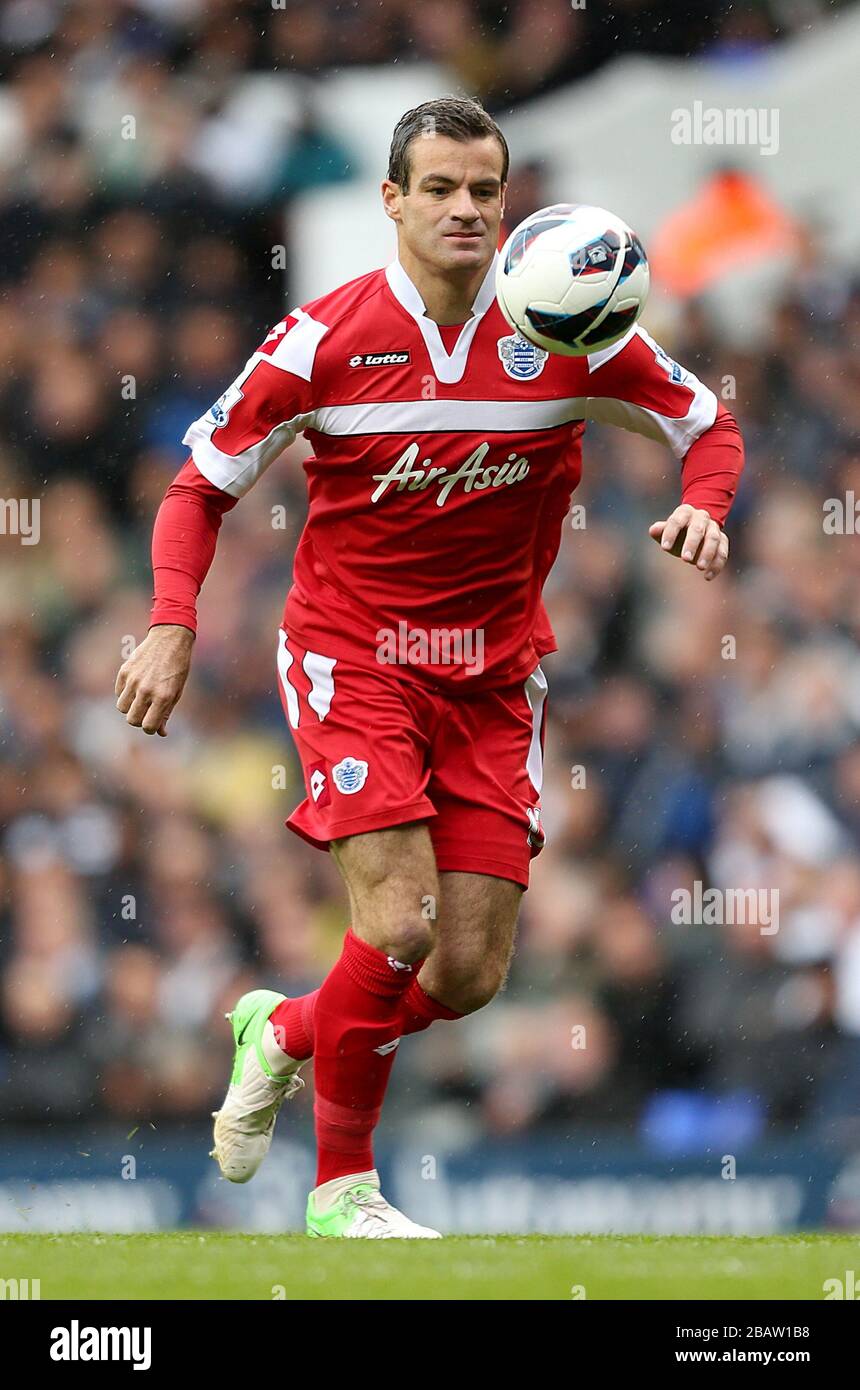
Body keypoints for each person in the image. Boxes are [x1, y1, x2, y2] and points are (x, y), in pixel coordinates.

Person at [115, 95, 744, 1238]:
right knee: (396, 922)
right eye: (441, 188)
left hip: (495, 678)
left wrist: (703, 507)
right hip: (353, 657)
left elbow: (708, 424)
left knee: (463, 973)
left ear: (508, 202)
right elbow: (200, 482)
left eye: (485, 190)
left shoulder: (566, 325)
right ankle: (341, 1193)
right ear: (392, 199)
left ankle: (288, 1032)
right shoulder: (322, 338)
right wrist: (170, 622)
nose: (466, 208)